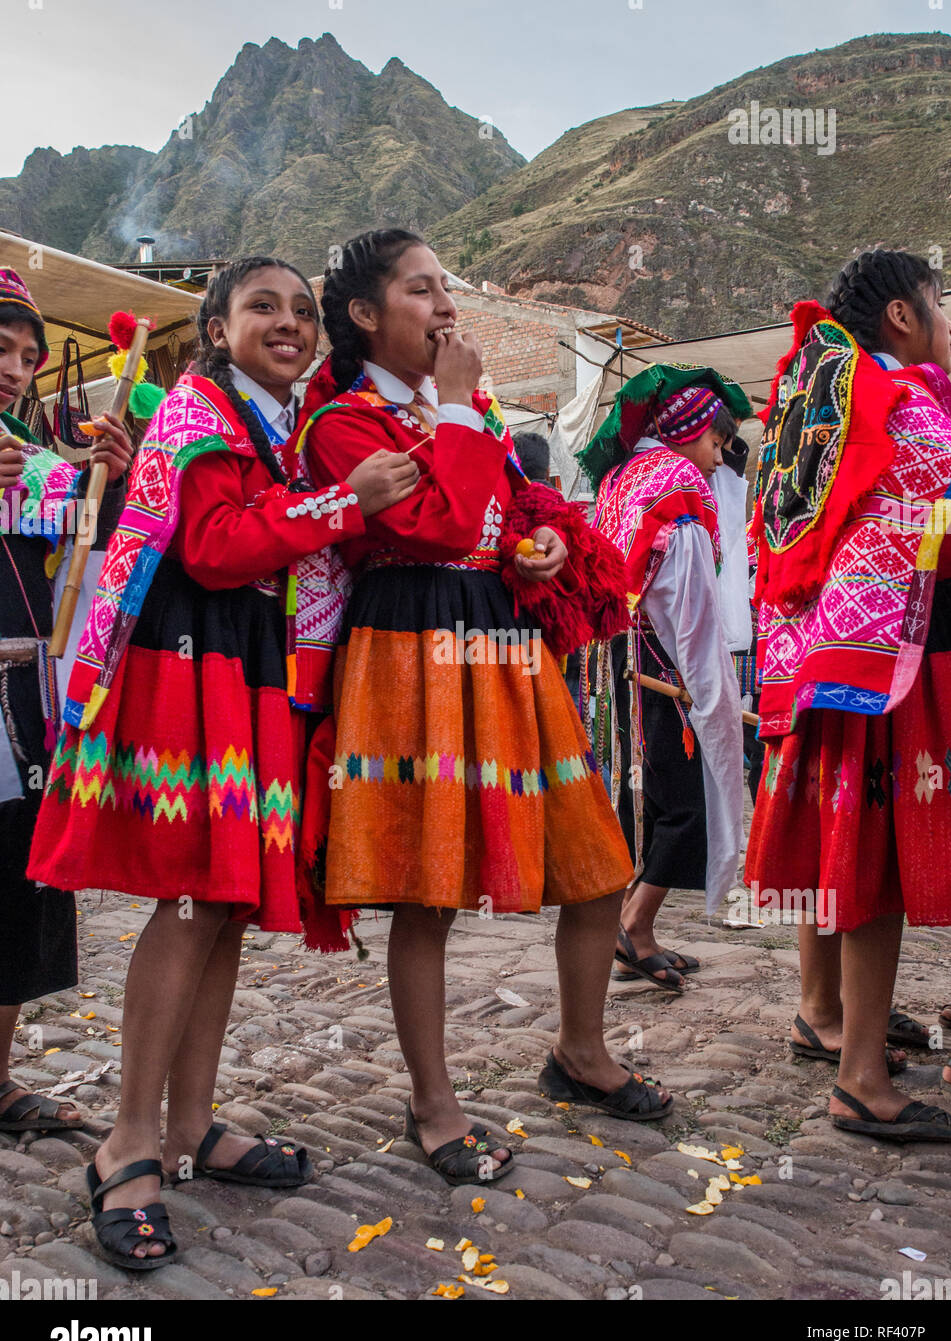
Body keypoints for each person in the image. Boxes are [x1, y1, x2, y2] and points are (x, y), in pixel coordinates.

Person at [28, 256, 419, 1268]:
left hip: (243, 670)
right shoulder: (203, 410)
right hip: (189, 665)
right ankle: (127, 1142)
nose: (287, 322)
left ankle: (191, 1123)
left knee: (228, 898)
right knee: (194, 897)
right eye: (262, 307)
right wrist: (349, 503)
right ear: (216, 328)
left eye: (300, 309)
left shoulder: (275, 425)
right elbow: (213, 547)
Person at [292, 228, 669, 1188]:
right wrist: (459, 410)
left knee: (594, 862)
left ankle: (579, 1053)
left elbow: (508, 509)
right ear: (367, 316)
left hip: (500, 637)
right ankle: (432, 1101)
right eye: (422, 292)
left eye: (446, 289)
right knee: (429, 892)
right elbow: (442, 525)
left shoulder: (465, 412)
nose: (446, 308)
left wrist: (537, 544)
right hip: (411, 648)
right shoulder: (341, 424)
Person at [745, 249, 951, 1142]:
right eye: (942, 311)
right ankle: (861, 1080)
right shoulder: (896, 397)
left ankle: (864, 1044)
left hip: (857, 660)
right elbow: (949, 531)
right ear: (904, 321)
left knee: (870, 854)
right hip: (918, 660)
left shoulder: (817, 397)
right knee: (881, 861)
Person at [0, 267, 131, 1135]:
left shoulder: (35, 463)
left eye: (24, 355)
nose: (13, 367)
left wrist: (109, 482)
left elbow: (97, 554)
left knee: (13, 889)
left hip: (21, 703)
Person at [580, 367, 749, 989]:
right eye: (713, 444)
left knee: (651, 801)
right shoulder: (676, 485)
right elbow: (690, 600)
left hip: (616, 659)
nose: (714, 460)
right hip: (661, 660)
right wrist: (712, 691)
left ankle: (637, 927)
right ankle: (634, 923)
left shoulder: (627, 475)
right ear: (692, 431)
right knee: (689, 800)